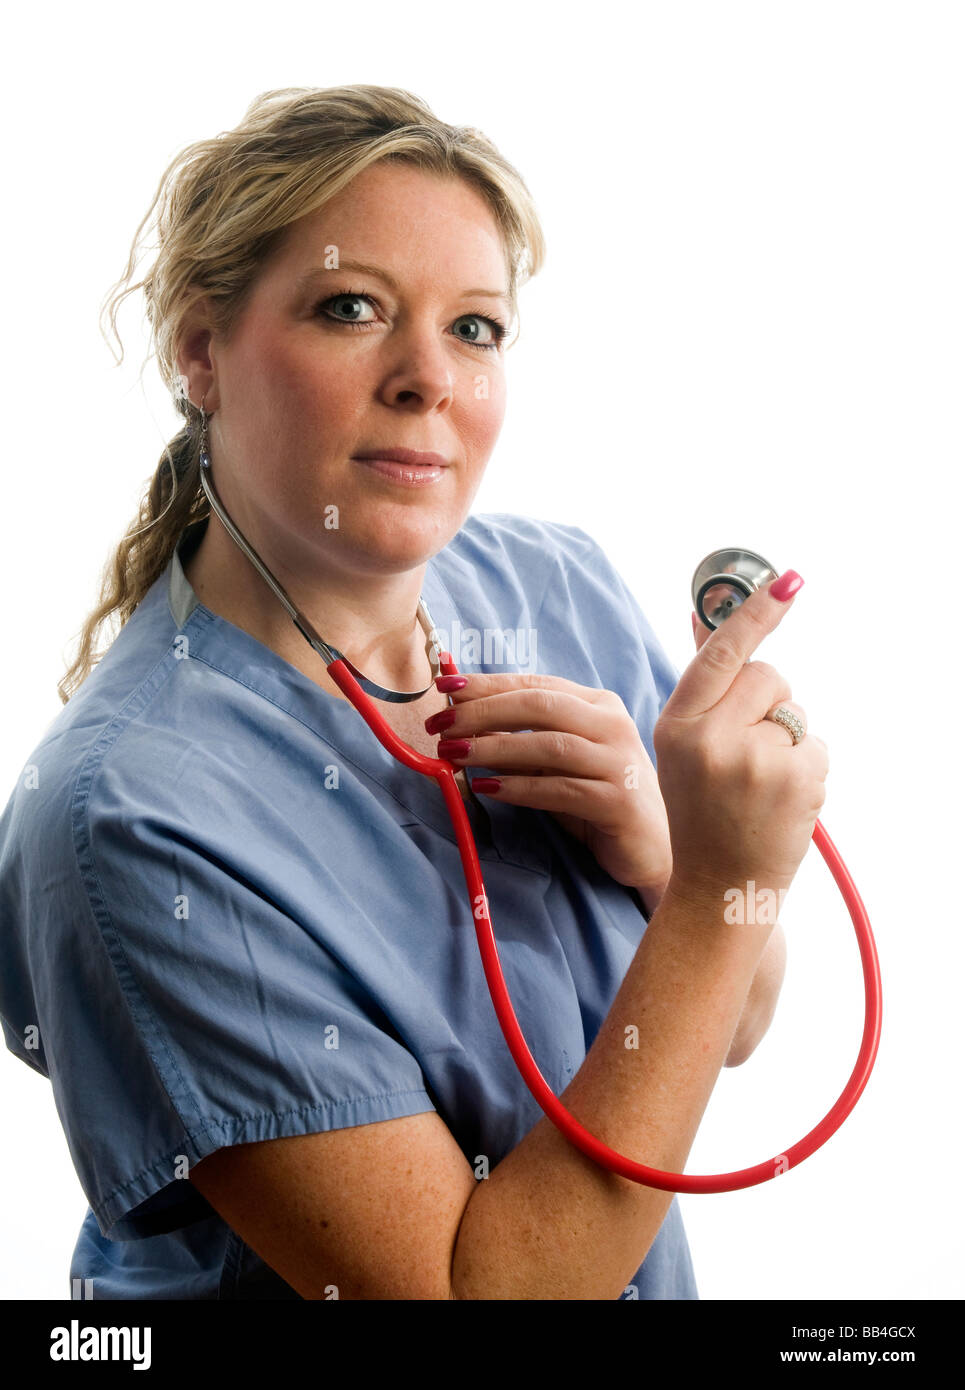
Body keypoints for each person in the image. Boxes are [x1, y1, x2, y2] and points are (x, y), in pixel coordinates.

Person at [0, 84, 825, 1301]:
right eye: (351, 308)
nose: (427, 379)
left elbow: (733, 1023)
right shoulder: (132, 815)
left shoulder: (558, 586)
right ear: (198, 350)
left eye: (476, 329)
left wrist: (666, 853)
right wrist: (709, 890)